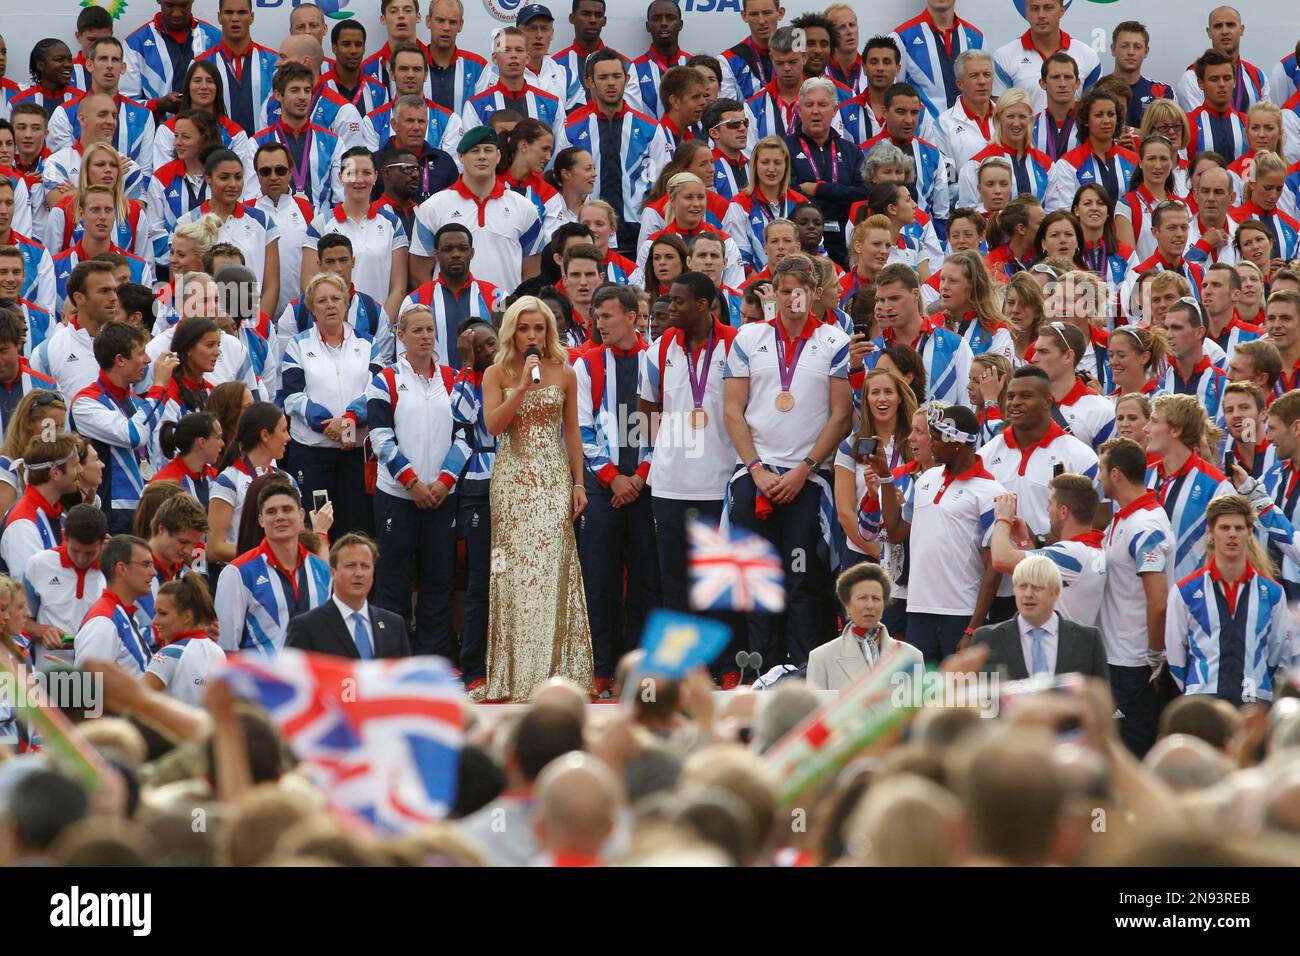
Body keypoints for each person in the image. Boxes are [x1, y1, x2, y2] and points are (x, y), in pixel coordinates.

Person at [724, 254, 852, 668]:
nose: (792, 299)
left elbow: (841, 414)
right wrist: (757, 469)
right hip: (755, 475)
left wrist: (805, 469)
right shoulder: (747, 338)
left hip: (808, 480)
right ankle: (759, 671)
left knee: (803, 581)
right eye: (784, 291)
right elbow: (732, 411)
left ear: (815, 293)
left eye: (801, 291)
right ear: (774, 294)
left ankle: (801, 671)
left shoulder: (835, 341)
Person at [478, 296, 593, 702]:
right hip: (511, 480)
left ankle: (554, 674)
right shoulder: (496, 372)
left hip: (553, 477)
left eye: (539, 328)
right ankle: (513, 675)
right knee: (511, 573)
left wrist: (579, 484)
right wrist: (521, 387)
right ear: (513, 330)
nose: (532, 335)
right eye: (525, 328)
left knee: (552, 568)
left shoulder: (565, 372)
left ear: (549, 331)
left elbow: (573, 433)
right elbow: (493, 426)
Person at [366, 304, 465, 658]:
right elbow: (379, 436)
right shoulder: (385, 380)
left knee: (439, 581)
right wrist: (411, 482)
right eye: (417, 330)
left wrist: (443, 481)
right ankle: (394, 660)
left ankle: (434, 659)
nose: (425, 337)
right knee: (393, 582)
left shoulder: (455, 380)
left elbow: (466, 435)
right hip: (396, 495)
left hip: (443, 496)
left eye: (430, 330)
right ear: (401, 335)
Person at [574, 285, 659, 695]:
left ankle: (640, 670)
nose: (599, 323)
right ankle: (601, 668)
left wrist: (639, 475)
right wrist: (613, 477)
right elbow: (581, 428)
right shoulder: (586, 364)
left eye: (606, 316)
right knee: (599, 581)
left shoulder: (656, 360)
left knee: (646, 582)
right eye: (596, 316)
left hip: (647, 488)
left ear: (631, 317)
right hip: (604, 489)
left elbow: (662, 424)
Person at [870, 404, 1004, 661]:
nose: (930, 442)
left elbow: (993, 567)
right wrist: (886, 477)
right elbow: (896, 531)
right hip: (919, 610)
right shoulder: (927, 479)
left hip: (961, 614)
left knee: (961, 700)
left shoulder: (991, 492)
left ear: (957, 442)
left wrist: (973, 627)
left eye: (937, 435)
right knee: (919, 699)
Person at [640, 270, 737, 608]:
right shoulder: (660, 347)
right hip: (670, 485)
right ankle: (683, 660)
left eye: (679, 301)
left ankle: (722, 658)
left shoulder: (735, 345)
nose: (670, 308)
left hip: (719, 481)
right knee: (674, 580)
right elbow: (647, 408)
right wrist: (661, 454)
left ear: (703, 305)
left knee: (717, 579)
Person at [1166, 494, 1289, 705]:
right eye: (1224, 528)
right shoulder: (1184, 591)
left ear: (1250, 532)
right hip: (1203, 704)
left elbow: (1277, 653)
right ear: (1211, 531)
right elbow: (1176, 657)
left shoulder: (1273, 593)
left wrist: (1257, 685)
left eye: (1239, 528)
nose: (1232, 534)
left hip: (1254, 705)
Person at [1096, 436, 1173, 757]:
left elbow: (1158, 602)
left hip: (1133, 662)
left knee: (1132, 751)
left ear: (1116, 474)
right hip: (1116, 657)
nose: (1097, 478)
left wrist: (1154, 657)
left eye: (1100, 470)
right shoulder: (1125, 516)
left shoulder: (1146, 525)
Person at [281, 272, 373, 538]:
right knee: (314, 529)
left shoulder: (369, 344)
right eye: (322, 301)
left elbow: (376, 393)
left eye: (336, 298)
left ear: (346, 303)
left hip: (355, 455)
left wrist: (349, 422)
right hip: (312, 454)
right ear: (312, 308)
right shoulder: (297, 346)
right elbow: (293, 398)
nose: (330, 305)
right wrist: (329, 425)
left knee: (355, 530)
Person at [72, 321, 177, 534]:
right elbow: (133, 435)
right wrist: (158, 388)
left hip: (145, 511)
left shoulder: (138, 403)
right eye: (141, 353)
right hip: (111, 514)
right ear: (120, 360)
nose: (148, 360)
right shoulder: (85, 403)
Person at [410, 126, 543, 295]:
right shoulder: (432, 207)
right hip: (453, 312)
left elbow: (532, 272)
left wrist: (515, 307)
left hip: (504, 312)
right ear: (461, 157)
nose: (482, 156)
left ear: (498, 156)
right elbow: (418, 272)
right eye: (474, 151)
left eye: (488, 150)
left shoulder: (524, 208)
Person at [553, 50, 656, 256]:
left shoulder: (651, 128)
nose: (611, 83)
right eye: (603, 77)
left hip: (637, 236)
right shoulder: (571, 129)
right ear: (589, 82)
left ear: (627, 79)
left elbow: (660, 182)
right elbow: (564, 184)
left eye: (617, 76)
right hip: (587, 236)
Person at [977, 363, 1100, 533]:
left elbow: (1099, 521)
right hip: (1000, 557)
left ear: (1047, 402)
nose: (1016, 403)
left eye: (1026, 396)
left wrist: (1041, 547)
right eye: (1011, 396)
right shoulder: (984, 456)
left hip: (1055, 558)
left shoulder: (1081, 457)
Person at [214, 481, 331, 654]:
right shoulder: (237, 573)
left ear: (301, 515)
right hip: (261, 679)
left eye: (287, 509)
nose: (280, 517)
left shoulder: (322, 570)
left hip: (312, 678)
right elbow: (225, 648)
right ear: (261, 520)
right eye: (271, 512)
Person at [302, 149, 408, 322]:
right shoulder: (320, 224)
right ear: (340, 176)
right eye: (351, 173)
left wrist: (380, 324)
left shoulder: (392, 224)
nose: (359, 180)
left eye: (366, 173)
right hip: (332, 327)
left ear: (375, 176)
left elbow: (399, 287)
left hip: (377, 326)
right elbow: (309, 283)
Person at [972, 552, 1108, 680]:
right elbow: (982, 700)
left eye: (1037, 587)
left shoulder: (1088, 639)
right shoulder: (987, 638)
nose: (1028, 594)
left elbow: (1101, 699)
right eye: (1022, 586)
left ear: (1056, 592)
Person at [1148, 393, 1235, 583]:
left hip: (1192, 602)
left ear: (1175, 430)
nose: (1147, 429)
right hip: (1143, 599)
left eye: (1154, 421)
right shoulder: (1143, 477)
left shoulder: (1217, 486)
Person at [285, 533, 410, 660]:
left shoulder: (394, 625)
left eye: (365, 566)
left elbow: (406, 677)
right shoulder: (306, 627)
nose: (359, 573)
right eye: (350, 566)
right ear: (333, 573)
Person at [785, 77, 867, 267]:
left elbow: (863, 193)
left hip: (845, 243)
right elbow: (791, 191)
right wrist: (842, 194)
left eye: (822, 105)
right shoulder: (785, 148)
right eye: (809, 105)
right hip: (803, 243)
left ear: (835, 110)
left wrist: (819, 190)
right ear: (799, 110)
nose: (815, 111)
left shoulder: (851, 151)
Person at [46, 38, 154, 180]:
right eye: (103, 59)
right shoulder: (65, 113)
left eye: (115, 60)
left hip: (127, 198)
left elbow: (145, 174)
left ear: (123, 68)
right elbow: (64, 170)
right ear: (89, 65)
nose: (109, 65)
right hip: (79, 200)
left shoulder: (143, 115)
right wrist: (113, 172)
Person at [806, 563, 922, 692]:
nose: (870, 605)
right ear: (846, 604)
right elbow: (816, 710)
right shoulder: (821, 658)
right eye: (862, 598)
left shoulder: (911, 656)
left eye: (876, 598)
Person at [873, 263, 973, 407]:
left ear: (915, 294)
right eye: (881, 300)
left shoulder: (955, 345)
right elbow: (862, 412)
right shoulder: (873, 349)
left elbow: (969, 408)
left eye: (894, 298)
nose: (886, 307)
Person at [208, 401, 290, 567]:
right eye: (283, 430)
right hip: (241, 575)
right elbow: (214, 548)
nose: (288, 437)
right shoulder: (228, 481)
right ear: (265, 435)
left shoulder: (288, 480)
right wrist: (265, 555)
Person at [23, 503, 107, 660]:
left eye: (90, 553)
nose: (81, 559)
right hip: (50, 678)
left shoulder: (114, 570)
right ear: (64, 536)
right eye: (75, 550)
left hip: (97, 678)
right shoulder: (38, 564)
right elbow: (21, 621)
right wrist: (42, 631)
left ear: (102, 542)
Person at [991, 0, 1101, 112]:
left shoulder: (1088, 56)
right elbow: (1000, 115)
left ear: (1062, 11)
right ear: (1026, 12)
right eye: (1034, 8)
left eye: (1048, 8)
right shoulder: (1004, 57)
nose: (1041, 15)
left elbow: (1094, 111)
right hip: (1024, 130)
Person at [0, 434, 80, 587]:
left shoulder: (57, 513)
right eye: (75, 465)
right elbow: (28, 590)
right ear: (55, 473)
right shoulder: (23, 524)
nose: (80, 470)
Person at [72, 533, 155, 673]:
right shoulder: (103, 622)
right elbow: (85, 690)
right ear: (122, 568)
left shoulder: (121, 613)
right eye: (146, 565)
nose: (153, 572)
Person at [1045, 87, 1136, 213]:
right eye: (1099, 115)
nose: (1106, 121)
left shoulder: (1134, 160)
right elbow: (1065, 214)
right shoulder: (1067, 164)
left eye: (1111, 114)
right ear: (1086, 120)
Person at [363, 44, 463, 158]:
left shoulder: (450, 120)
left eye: (416, 69)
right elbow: (370, 170)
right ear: (392, 74)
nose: (410, 75)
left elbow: (451, 170)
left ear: (425, 75)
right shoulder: (372, 122)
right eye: (403, 69)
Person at [121, 0, 223, 107]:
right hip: (156, 123)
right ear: (159, 1)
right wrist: (157, 105)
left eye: (183, 5)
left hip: (208, 122)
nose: (177, 13)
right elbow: (125, 102)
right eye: (170, 5)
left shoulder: (216, 38)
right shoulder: (135, 44)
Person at [464, 27, 563, 133]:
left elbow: (560, 148)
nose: (513, 55)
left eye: (519, 50)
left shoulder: (553, 104)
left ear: (527, 58)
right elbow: (472, 149)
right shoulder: (475, 106)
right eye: (506, 50)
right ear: (494, 58)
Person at [1174, 7, 1269, 113]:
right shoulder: (1192, 77)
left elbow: (1266, 120)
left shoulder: (1257, 76)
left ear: (1241, 30)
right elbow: (1199, 124)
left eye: (1230, 25)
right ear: (1209, 32)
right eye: (1218, 26)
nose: (1224, 31)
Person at [1159, 297, 1229, 422]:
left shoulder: (1222, 384)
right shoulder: (1159, 381)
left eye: (1177, 328)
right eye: (1167, 328)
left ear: (1199, 332)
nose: (1169, 335)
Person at [552, 0, 622, 111]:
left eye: (598, 15)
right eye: (586, 14)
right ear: (572, 18)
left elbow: (631, 114)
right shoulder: (554, 65)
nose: (593, 20)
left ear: (604, 21)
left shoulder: (624, 65)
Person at [424, 0, 489, 117]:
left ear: (460, 25)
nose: (446, 27)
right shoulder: (412, 65)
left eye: (453, 22)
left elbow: (483, 116)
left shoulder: (477, 66)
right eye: (440, 20)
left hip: (466, 135)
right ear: (428, 21)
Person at [936, 51, 997, 177]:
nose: (982, 81)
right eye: (974, 75)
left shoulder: (1008, 117)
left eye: (987, 75)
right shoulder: (943, 124)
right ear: (959, 84)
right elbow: (949, 178)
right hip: (964, 196)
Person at [646, 66, 709, 184]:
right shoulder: (655, 139)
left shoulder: (693, 138)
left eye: (704, 96)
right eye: (696, 97)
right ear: (675, 101)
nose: (703, 102)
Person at [318, 19, 390, 120]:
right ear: (334, 47)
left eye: (358, 45)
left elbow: (383, 132)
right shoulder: (319, 87)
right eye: (346, 44)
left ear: (364, 48)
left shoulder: (379, 91)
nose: (353, 51)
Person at [1110, 21, 1174, 130]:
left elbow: (1168, 134)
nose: (1131, 52)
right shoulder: (1097, 90)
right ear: (1113, 49)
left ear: (1146, 51)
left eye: (1137, 47)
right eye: (1124, 46)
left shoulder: (1162, 91)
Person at [718, 0, 783, 104]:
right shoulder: (727, 61)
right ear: (744, 16)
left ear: (780, 13)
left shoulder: (797, 55)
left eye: (767, 13)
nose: (761, 21)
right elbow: (727, 112)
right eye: (754, 14)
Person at [154, 411, 223, 509]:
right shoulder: (163, 486)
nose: (222, 443)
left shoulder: (217, 478)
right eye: (218, 437)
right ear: (202, 442)